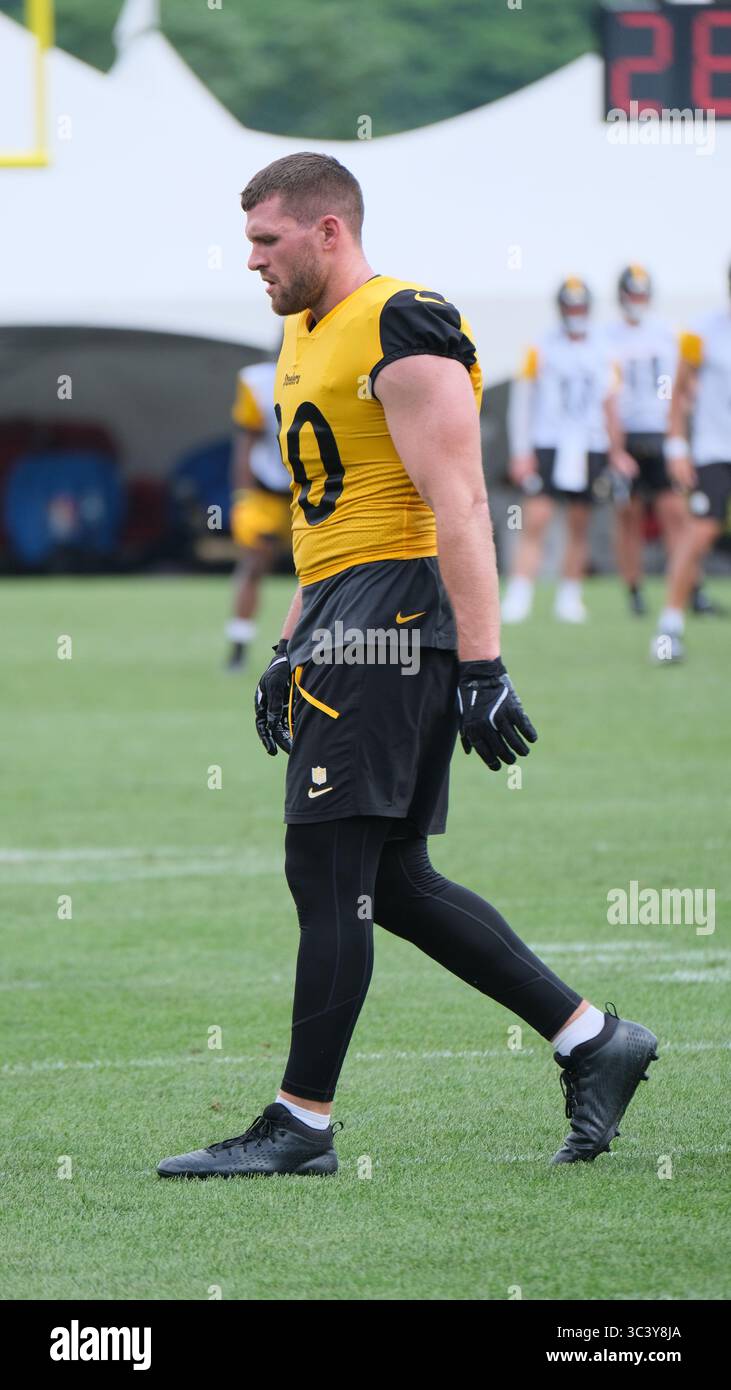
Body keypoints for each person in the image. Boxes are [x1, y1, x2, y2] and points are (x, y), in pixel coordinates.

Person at [158, 154, 657, 1179]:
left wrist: (482, 662)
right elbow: (322, 514)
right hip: (342, 609)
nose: (250, 259)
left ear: (328, 230)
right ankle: (592, 1039)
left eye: (266, 240)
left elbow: (458, 500)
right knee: (386, 875)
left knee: (328, 866)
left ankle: (301, 1123)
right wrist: (293, 637)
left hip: (396, 608)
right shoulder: (300, 333)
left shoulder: (403, 319)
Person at [502, 279, 617, 625]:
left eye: (580, 307)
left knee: (579, 523)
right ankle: (520, 594)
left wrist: (615, 448)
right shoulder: (540, 346)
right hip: (548, 442)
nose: (575, 314)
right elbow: (522, 401)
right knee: (535, 519)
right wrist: (522, 451)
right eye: (570, 307)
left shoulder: (604, 347)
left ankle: (570, 596)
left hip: (588, 443)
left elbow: (611, 401)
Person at [652, 267, 731, 662]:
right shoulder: (703, 333)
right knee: (699, 533)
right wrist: (677, 448)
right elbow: (678, 393)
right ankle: (669, 629)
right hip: (716, 451)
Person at [605, 265, 688, 617]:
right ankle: (634, 590)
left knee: (675, 514)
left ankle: (686, 587)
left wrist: (678, 438)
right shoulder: (606, 335)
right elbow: (605, 395)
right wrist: (615, 448)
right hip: (626, 432)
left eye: (641, 294)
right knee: (629, 515)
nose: (636, 301)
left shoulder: (668, 333)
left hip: (661, 431)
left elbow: (682, 387)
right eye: (631, 293)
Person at [225, 357, 292, 670]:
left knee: (327, 570)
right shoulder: (258, 380)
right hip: (269, 488)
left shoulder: (334, 365)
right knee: (253, 563)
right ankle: (238, 647)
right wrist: (243, 495)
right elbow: (246, 438)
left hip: (316, 488)